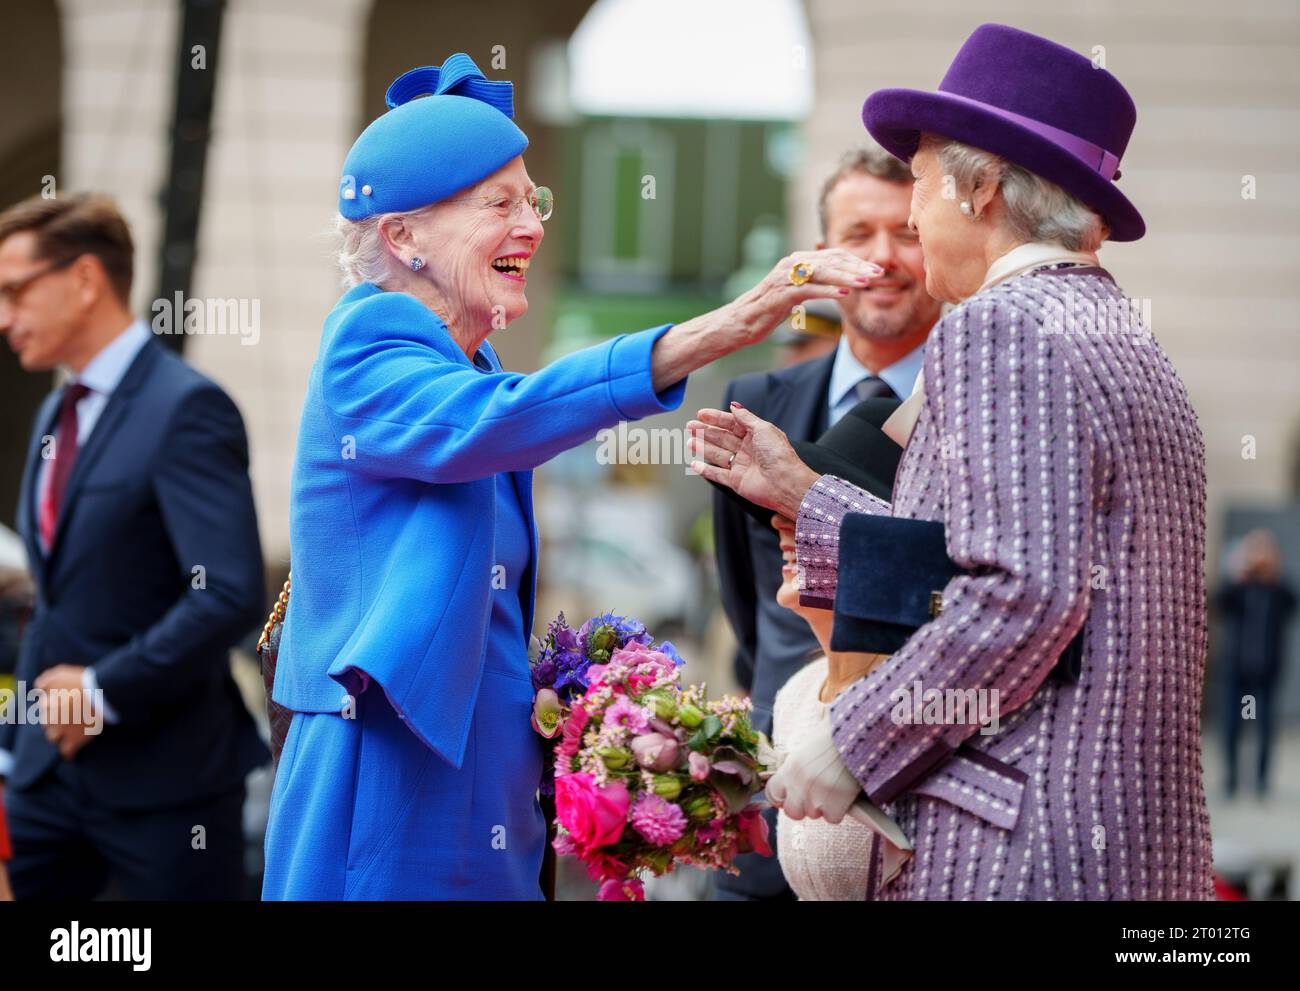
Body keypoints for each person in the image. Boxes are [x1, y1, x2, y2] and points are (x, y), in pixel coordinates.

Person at [260, 53, 881, 900]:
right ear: (402, 236)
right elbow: (504, 422)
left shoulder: (464, 358)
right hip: (388, 770)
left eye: (533, 200)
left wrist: (592, 714)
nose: (532, 225)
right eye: (500, 203)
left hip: (476, 773)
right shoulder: (368, 341)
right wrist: (726, 326)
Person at [691, 23, 1215, 899]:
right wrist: (807, 495)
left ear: (983, 190)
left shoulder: (999, 323)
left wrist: (850, 739)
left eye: (922, 186)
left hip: (1016, 854)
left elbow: (1021, 590)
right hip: (1129, 854)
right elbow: (1007, 556)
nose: (916, 214)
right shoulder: (1120, 329)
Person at [0, 193, 268, 899]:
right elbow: (61, 594)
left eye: (15, 289)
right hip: (42, 779)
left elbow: (230, 591)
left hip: (166, 789)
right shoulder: (55, 414)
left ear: (85, 279)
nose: (3, 316)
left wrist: (100, 689)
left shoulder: (186, 408)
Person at [710, 144, 939, 900]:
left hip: (919, 824)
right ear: (819, 254)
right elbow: (749, 606)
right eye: (856, 233)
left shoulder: (974, 405)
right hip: (773, 813)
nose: (882, 257)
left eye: (906, 231)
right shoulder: (757, 397)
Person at [1216, 529, 1295, 798]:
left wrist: (1274, 574)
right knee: (1232, 726)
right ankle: (1232, 780)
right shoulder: (1239, 587)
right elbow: (1219, 603)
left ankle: (1260, 781)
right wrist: (1238, 573)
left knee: (1264, 728)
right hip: (1236, 670)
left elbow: (1292, 603)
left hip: (1266, 672)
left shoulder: (1277, 589)